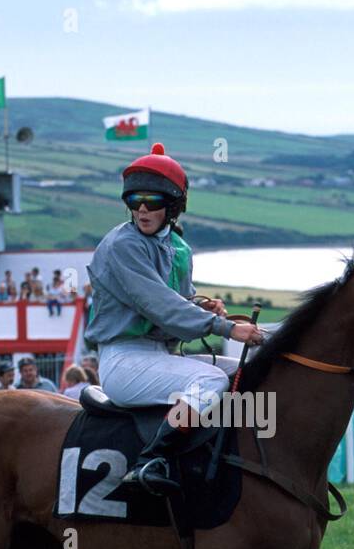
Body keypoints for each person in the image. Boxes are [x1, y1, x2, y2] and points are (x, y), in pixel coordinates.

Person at [85, 142, 262, 494]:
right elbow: (161, 307)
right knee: (212, 382)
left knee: (248, 373)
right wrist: (225, 327)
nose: (142, 210)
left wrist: (203, 305)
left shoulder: (179, 248)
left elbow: (178, 300)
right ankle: (150, 461)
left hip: (162, 358)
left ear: (174, 206)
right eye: (135, 202)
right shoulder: (122, 245)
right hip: (124, 361)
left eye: (152, 201)